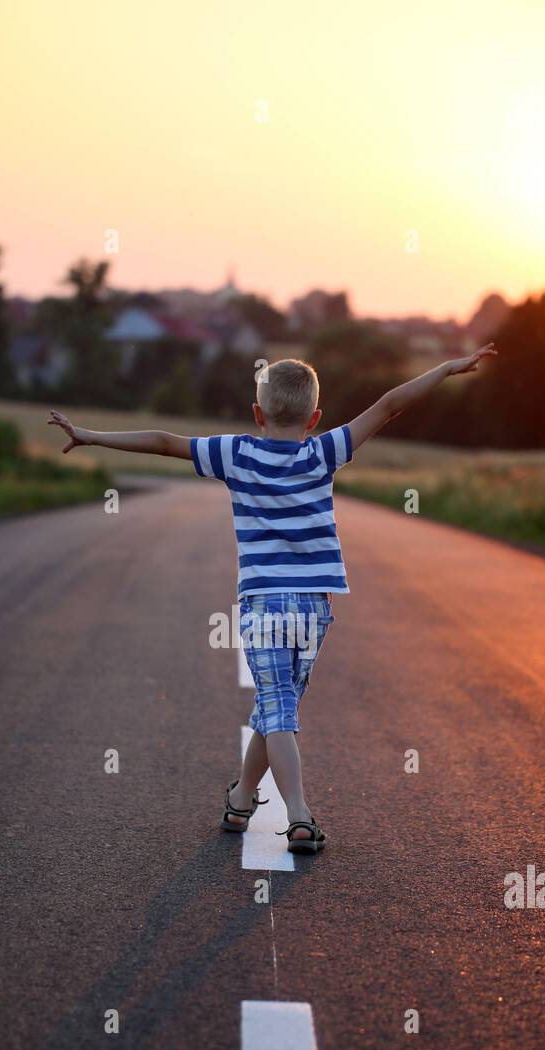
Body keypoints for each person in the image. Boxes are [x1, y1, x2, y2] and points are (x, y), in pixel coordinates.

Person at [48, 343, 497, 853]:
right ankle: (241, 800)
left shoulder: (235, 453)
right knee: (277, 705)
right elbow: (392, 403)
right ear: (315, 418)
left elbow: (163, 441)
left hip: (264, 602)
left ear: (257, 414)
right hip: (314, 607)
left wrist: (89, 435)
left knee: (276, 708)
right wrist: (445, 368)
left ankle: (299, 816)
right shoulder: (325, 450)